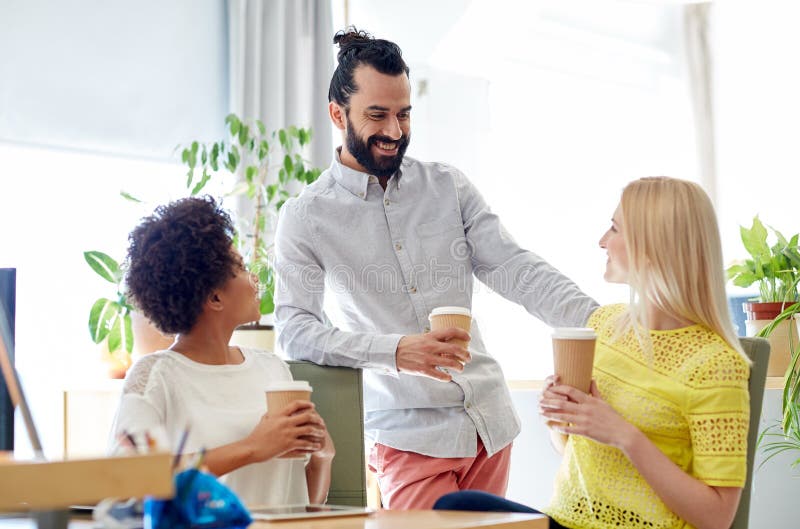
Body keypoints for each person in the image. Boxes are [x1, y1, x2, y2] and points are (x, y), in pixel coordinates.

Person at [273, 27, 598, 510]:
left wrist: (603, 323)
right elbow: (294, 331)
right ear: (337, 114)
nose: (395, 132)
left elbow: (514, 267)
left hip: (489, 424)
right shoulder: (306, 216)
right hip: (407, 434)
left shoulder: (448, 186)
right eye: (377, 115)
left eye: (404, 114)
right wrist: (395, 351)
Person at [434, 177, 751, 529]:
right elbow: (572, 450)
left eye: (614, 229)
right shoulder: (605, 325)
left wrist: (624, 435)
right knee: (455, 506)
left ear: (652, 246)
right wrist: (565, 419)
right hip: (566, 520)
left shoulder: (716, 365)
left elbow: (717, 517)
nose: (602, 241)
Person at [109, 196, 334, 507]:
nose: (254, 278)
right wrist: (252, 447)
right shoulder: (155, 377)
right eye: (241, 267)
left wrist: (322, 457)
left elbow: (301, 503)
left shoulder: (273, 370)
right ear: (214, 298)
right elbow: (130, 479)